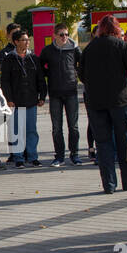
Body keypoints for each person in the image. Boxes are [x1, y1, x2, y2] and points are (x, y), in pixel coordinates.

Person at [79, 14, 127, 195]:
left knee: (103, 144)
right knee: (125, 142)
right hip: (121, 101)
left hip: (96, 103)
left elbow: (81, 74)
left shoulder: (89, 49)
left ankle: (109, 185)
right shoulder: (121, 45)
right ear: (117, 29)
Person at [40, 22, 83, 166]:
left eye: (66, 34)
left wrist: (76, 75)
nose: (64, 37)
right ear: (55, 35)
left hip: (71, 91)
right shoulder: (48, 51)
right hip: (55, 93)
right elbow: (41, 67)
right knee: (57, 127)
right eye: (61, 35)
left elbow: (82, 64)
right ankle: (59, 156)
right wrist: (49, 75)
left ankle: (75, 154)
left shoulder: (74, 49)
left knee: (74, 126)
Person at [1, 28, 44, 167]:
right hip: (16, 101)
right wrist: (8, 98)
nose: (27, 42)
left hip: (31, 100)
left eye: (28, 40)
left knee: (31, 130)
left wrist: (42, 95)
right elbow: (5, 81)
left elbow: (40, 79)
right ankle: (18, 158)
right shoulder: (9, 59)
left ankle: (32, 156)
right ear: (16, 42)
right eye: (24, 40)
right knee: (16, 130)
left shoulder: (34, 58)